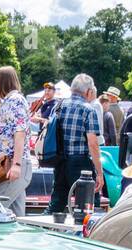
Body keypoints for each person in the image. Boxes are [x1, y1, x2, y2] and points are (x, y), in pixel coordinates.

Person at [49, 73, 104, 215]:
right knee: (89, 207)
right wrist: (99, 173)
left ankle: (41, 227)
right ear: (89, 91)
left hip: (59, 160)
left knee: (56, 204)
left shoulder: (58, 106)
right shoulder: (88, 109)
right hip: (80, 163)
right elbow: (93, 144)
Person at [0, 65, 32, 215]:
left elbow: (20, 132)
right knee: (16, 216)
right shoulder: (10, 101)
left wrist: (16, 165)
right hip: (10, 166)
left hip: (11, 166)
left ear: (1, 82)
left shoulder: (15, 100)